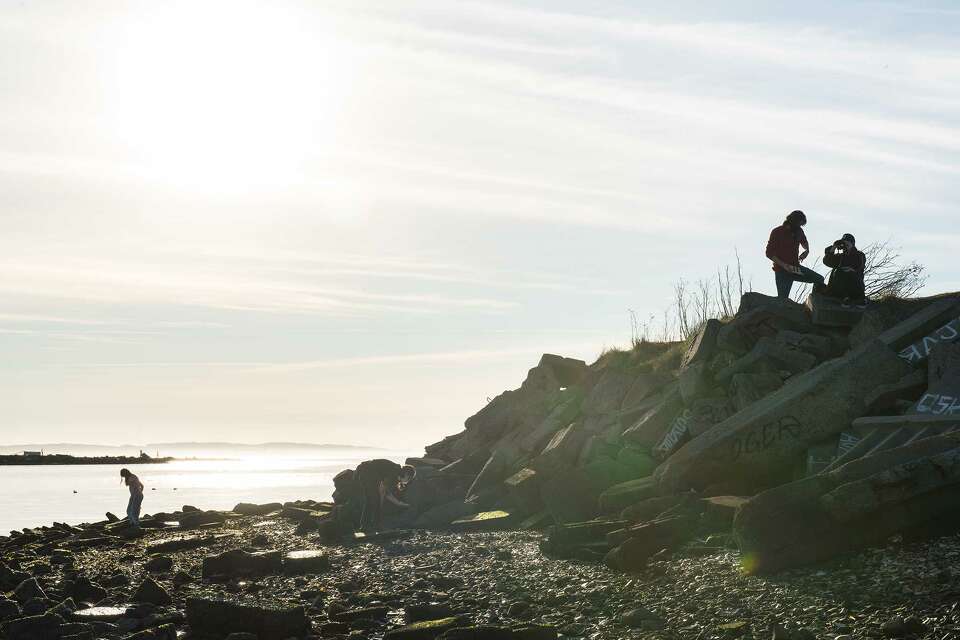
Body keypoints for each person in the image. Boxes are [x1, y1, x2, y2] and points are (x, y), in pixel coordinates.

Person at [765, 210, 825, 299]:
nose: (800, 227)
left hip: (795, 268)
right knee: (783, 300)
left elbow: (804, 241)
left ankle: (815, 304)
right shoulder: (777, 232)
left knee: (819, 279)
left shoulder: (799, 231)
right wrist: (784, 265)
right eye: (799, 224)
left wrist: (806, 250)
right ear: (793, 221)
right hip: (781, 271)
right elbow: (769, 253)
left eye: (801, 225)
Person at [354, 459, 416, 532]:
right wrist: (399, 504)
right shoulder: (394, 472)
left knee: (371, 500)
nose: (408, 481)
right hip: (366, 472)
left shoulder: (395, 471)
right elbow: (386, 492)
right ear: (406, 474)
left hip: (363, 471)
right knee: (375, 500)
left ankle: (366, 526)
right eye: (409, 478)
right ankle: (374, 526)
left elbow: (385, 491)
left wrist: (398, 503)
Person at [822, 232, 866, 308]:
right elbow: (827, 261)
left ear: (852, 244)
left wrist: (851, 270)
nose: (845, 245)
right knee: (838, 271)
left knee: (851, 273)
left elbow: (860, 266)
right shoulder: (841, 257)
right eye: (844, 243)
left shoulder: (859, 255)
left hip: (855, 286)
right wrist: (834, 247)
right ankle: (845, 298)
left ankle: (860, 299)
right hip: (841, 288)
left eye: (847, 243)